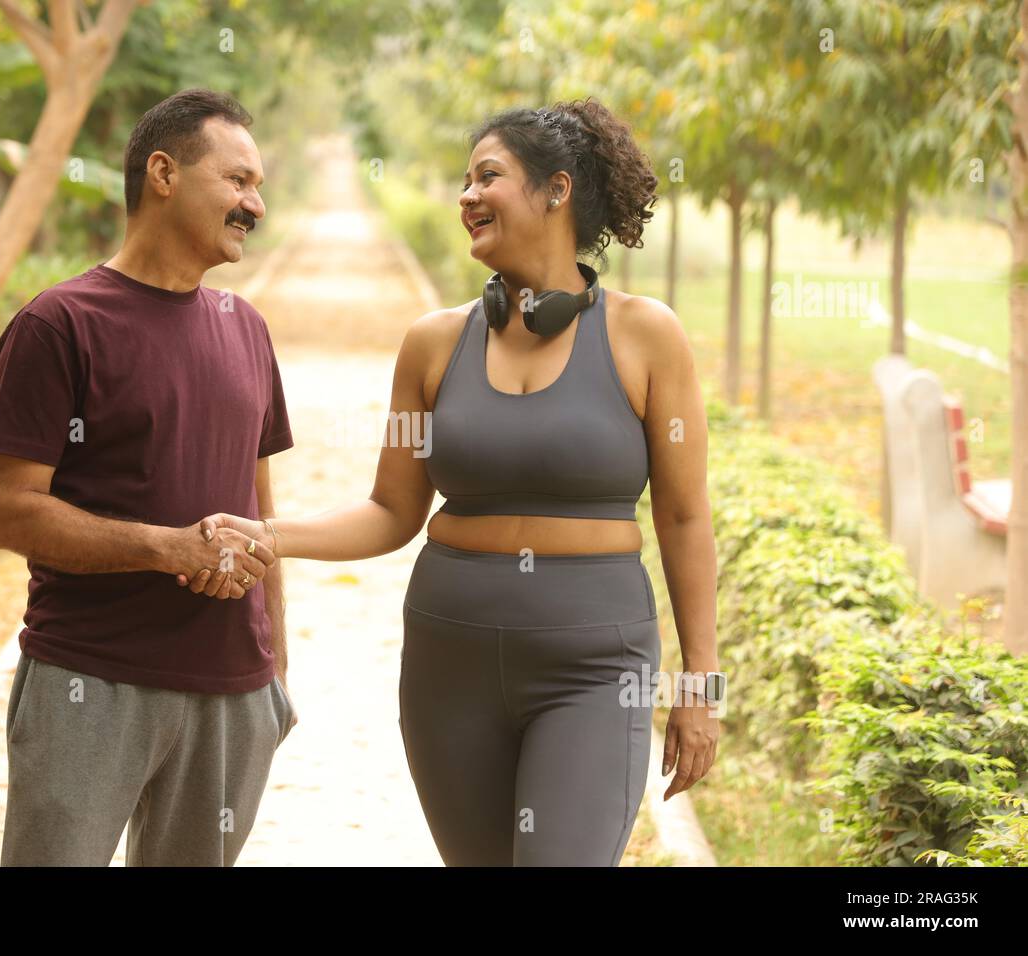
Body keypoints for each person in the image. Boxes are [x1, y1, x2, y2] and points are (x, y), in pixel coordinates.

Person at [181, 98, 722, 866]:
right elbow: (391, 508)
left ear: (557, 190)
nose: (466, 196)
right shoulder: (431, 346)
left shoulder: (647, 335)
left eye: (487, 177)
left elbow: (686, 517)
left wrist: (704, 685)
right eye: (463, 180)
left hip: (596, 669)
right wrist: (272, 536)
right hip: (448, 662)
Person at [0, 88, 293, 866]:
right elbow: (9, 512)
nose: (254, 204)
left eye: (258, 187)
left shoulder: (245, 329)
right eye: (238, 180)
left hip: (231, 692)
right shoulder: (59, 325)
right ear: (163, 172)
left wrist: (275, 674)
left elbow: (262, 510)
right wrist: (169, 548)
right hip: (90, 683)